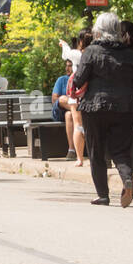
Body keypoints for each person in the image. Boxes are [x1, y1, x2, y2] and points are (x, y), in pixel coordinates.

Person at [70, 11, 133, 208]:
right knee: (121, 150)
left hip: (96, 108)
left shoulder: (91, 51)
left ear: (98, 30)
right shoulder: (129, 53)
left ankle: (103, 195)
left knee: (96, 151)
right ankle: (127, 179)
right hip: (126, 107)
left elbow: (78, 80)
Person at [58, 30, 93, 164]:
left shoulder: (77, 54)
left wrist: (64, 44)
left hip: (77, 93)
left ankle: (79, 158)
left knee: (78, 124)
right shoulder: (96, 53)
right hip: (93, 92)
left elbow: (66, 54)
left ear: (80, 42)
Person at [52, 58, 73, 153]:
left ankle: (72, 150)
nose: (67, 68)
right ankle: (79, 111)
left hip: (69, 112)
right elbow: (55, 99)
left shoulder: (81, 79)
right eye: (66, 65)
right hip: (60, 111)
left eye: (70, 66)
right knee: (62, 99)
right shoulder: (62, 80)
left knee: (69, 115)